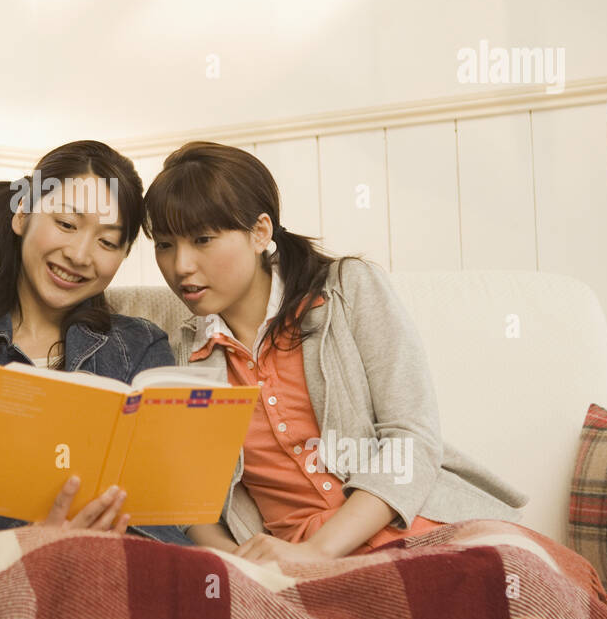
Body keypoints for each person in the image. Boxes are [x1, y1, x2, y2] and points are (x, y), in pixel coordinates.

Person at [143, 140, 528, 565]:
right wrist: (246, 567)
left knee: (508, 590)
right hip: (292, 564)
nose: (180, 265)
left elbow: (412, 440)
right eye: (164, 244)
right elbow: (189, 502)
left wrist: (318, 551)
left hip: (416, 522)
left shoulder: (348, 289)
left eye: (202, 239)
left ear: (260, 232)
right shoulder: (182, 355)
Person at [0, 140, 192, 545]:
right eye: (66, 224)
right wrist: (51, 538)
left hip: (143, 558)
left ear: (123, 254)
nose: (78, 254)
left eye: (107, 242)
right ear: (22, 215)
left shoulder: (142, 345)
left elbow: (165, 498)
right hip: (21, 564)